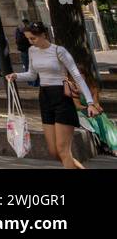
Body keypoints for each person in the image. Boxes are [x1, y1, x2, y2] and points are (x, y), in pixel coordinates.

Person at [8, 21, 103, 169]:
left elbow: (77, 76)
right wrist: (16, 76)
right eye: (28, 39)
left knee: (63, 150)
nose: (30, 41)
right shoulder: (32, 51)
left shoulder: (59, 51)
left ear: (43, 35)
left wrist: (90, 102)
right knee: (54, 151)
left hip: (61, 97)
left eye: (33, 38)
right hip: (44, 97)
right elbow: (32, 75)